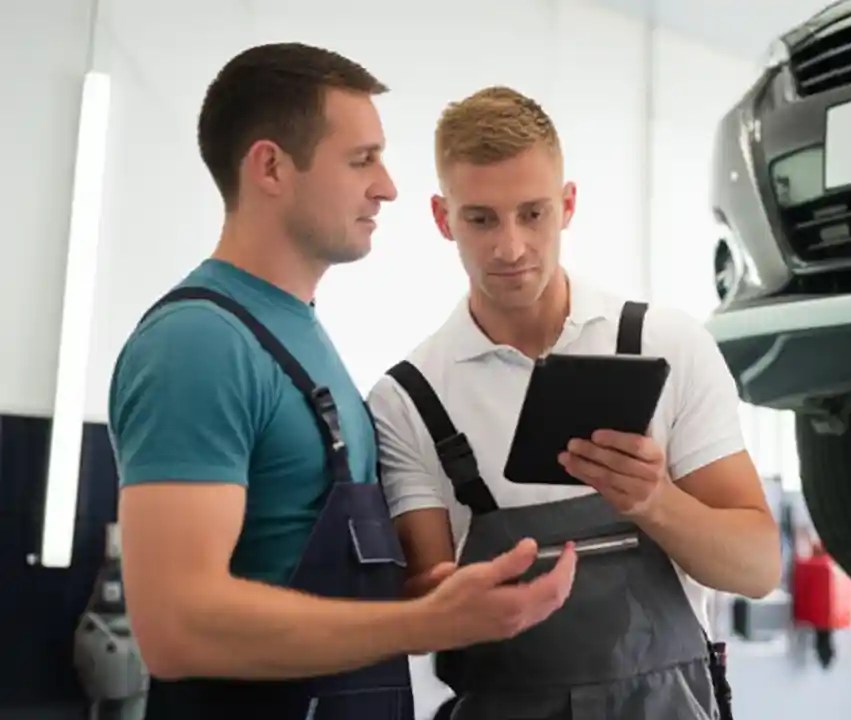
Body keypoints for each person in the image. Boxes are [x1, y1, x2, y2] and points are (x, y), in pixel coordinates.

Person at [108, 46, 577, 720]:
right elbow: (177, 628)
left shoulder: (297, 334)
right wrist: (428, 625)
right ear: (271, 166)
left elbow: (290, 576)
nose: (387, 186)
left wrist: (428, 598)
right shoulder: (199, 344)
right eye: (362, 159)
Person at [366, 85, 783, 719]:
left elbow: (757, 569)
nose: (510, 247)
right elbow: (423, 602)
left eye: (532, 213)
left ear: (567, 205)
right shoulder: (408, 400)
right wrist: (460, 599)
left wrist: (655, 501)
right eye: (481, 218)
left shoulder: (666, 346)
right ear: (442, 217)